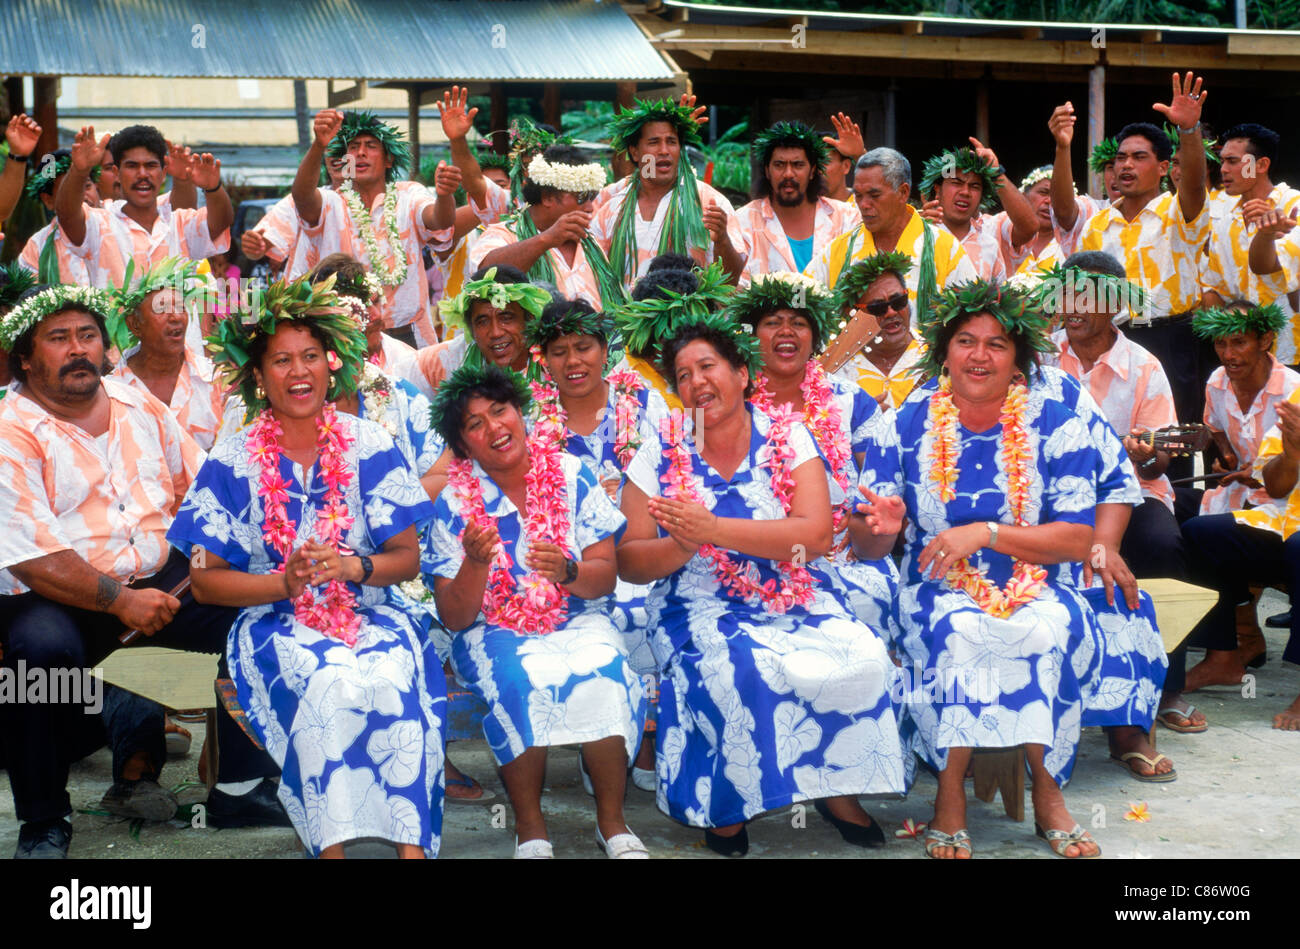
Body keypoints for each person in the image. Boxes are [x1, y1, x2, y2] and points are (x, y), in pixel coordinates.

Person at [0, 283, 281, 859]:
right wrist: (121, 602)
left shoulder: (135, 403)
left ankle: (237, 788)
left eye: (87, 335)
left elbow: (202, 490)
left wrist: (205, 565)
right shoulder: (9, 428)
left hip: (159, 581)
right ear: (26, 357)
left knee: (255, 611)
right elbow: (33, 556)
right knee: (36, 659)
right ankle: (43, 819)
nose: (78, 349)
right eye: (57, 338)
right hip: (53, 595)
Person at [168, 275, 444, 858]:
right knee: (328, 686)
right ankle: (332, 850)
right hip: (274, 622)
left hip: (371, 611)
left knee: (390, 679)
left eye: (311, 357)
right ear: (259, 376)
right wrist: (283, 581)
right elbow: (204, 579)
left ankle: (411, 851)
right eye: (282, 360)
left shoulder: (370, 443)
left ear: (331, 364)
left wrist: (352, 567)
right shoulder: (232, 458)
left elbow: (406, 558)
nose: (299, 372)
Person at [617, 310, 905, 857]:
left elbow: (815, 537)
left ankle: (834, 787)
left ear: (742, 374)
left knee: (863, 656)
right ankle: (727, 804)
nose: (697, 382)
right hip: (697, 598)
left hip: (797, 591)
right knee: (740, 666)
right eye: (682, 375)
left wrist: (712, 528)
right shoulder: (659, 450)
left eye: (709, 366)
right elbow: (629, 561)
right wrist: (682, 545)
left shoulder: (789, 436)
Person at [854, 279, 1110, 858]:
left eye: (996, 345)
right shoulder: (906, 420)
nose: (979, 355)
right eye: (965, 340)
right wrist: (884, 527)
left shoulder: (1057, 420)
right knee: (964, 634)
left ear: (1017, 358)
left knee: (1044, 630)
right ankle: (950, 795)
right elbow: (868, 546)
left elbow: (1076, 538)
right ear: (943, 351)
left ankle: (1048, 792)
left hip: (1038, 581)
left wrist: (988, 533)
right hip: (936, 585)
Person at [423, 363, 648, 858]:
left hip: (578, 616)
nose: (494, 428)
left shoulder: (572, 475)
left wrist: (568, 572)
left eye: (499, 410)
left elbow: (604, 575)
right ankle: (530, 828)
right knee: (521, 681)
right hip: (491, 627)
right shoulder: (454, 504)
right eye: (475, 424)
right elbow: (455, 617)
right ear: (463, 447)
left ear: (520, 412)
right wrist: (476, 564)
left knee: (605, 671)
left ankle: (611, 823)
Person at [1043, 252, 1186, 768]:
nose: (1073, 305)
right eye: (1067, 292)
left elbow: (1161, 461)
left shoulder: (1144, 366)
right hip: (1053, 498)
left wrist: (1149, 455)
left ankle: (1158, 692)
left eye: (1089, 294)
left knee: (1160, 541)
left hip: (1129, 491)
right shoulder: (1036, 355)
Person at [528, 295, 671, 789]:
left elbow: (675, 480)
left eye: (584, 346)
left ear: (605, 348)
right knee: (606, 611)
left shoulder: (646, 404)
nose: (573, 361)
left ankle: (646, 736)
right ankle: (601, 740)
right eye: (560, 350)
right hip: (569, 559)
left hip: (639, 546)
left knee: (647, 604)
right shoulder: (528, 417)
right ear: (543, 359)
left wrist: (629, 496)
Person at [736, 271, 900, 643]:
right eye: (772, 322)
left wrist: (862, 521)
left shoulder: (850, 399)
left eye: (798, 322)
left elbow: (876, 483)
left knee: (870, 593)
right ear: (750, 336)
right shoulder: (733, 404)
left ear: (815, 335)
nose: (786, 331)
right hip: (759, 549)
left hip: (846, 551)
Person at [1059, 74, 1216, 442]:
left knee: (1171, 442)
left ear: (1164, 167)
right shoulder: (1098, 225)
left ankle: (1168, 501)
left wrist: (1189, 128)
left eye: (1139, 157)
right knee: (1111, 436)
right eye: (1120, 158)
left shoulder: (1181, 211)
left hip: (1172, 338)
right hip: (1113, 339)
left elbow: (1193, 182)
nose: (1126, 166)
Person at [1181, 386, 1300, 730]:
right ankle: (1224, 656)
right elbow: (1275, 487)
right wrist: (1292, 455)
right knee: (1202, 533)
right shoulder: (1296, 403)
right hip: (1286, 520)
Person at [289, 109, 454, 347]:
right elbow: (302, 197)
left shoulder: (409, 194)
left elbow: (439, 220)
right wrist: (318, 145)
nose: (361, 153)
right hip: (344, 334)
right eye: (354, 147)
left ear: (389, 160)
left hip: (407, 333)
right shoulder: (331, 201)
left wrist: (445, 196)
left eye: (371, 146)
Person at [590, 96, 747, 290]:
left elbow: (730, 283)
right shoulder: (613, 201)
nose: (664, 151)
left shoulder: (709, 202)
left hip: (689, 318)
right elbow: (591, 272)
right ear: (635, 152)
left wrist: (722, 240)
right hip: (624, 318)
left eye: (671, 142)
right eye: (654, 142)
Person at [808, 146, 976, 323]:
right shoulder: (839, 250)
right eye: (858, 195)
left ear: (903, 192)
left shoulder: (945, 249)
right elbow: (802, 304)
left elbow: (971, 319)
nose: (864, 205)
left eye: (874, 195)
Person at [55, 124, 229, 281]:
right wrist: (79, 170)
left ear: (163, 174)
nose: (143, 174)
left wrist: (213, 188)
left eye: (151, 165)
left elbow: (221, 222)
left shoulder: (181, 223)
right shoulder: (99, 223)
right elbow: (67, 216)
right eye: (132, 166)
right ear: (117, 173)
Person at [473, 144, 621, 309]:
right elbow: (484, 276)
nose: (589, 207)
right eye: (581, 197)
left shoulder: (589, 243)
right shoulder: (503, 234)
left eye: (591, 197)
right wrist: (547, 239)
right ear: (548, 198)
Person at [107, 257, 225, 451]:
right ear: (135, 324)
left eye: (180, 307)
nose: (176, 317)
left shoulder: (214, 380)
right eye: (161, 309)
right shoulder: (112, 390)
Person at [1196, 301, 1300, 517]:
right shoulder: (1217, 382)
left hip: (1287, 504)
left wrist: (1262, 474)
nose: (1227, 355)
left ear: (1265, 340)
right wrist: (1226, 455)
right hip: (1237, 496)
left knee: (1197, 531)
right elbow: (1214, 427)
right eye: (1220, 344)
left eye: (1238, 342)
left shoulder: (1294, 392)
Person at [735, 121, 858, 280]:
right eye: (779, 165)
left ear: (813, 171)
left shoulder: (846, 219)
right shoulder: (744, 222)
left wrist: (860, 155)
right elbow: (733, 291)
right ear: (767, 171)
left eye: (798, 165)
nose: (788, 174)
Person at [611, 258, 732, 410]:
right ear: (648, 331)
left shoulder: (712, 370)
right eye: (674, 330)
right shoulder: (621, 377)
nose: (687, 342)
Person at [412, 265, 551, 396]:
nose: (496, 333)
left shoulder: (554, 358)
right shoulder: (448, 358)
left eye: (506, 318)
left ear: (529, 319)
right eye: (483, 322)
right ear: (471, 329)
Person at [917, 139, 1038, 281]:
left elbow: (1030, 227)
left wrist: (997, 174)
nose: (965, 192)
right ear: (938, 190)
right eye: (956, 183)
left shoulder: (990, 244)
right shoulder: (918, 234)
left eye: (974, 186)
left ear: (981, 196)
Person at [825, 251, 926, 409]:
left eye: (898, 301)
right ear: (852, 314)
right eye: (877, 307)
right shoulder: (831, 368)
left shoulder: (937, 357)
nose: (891, 312)